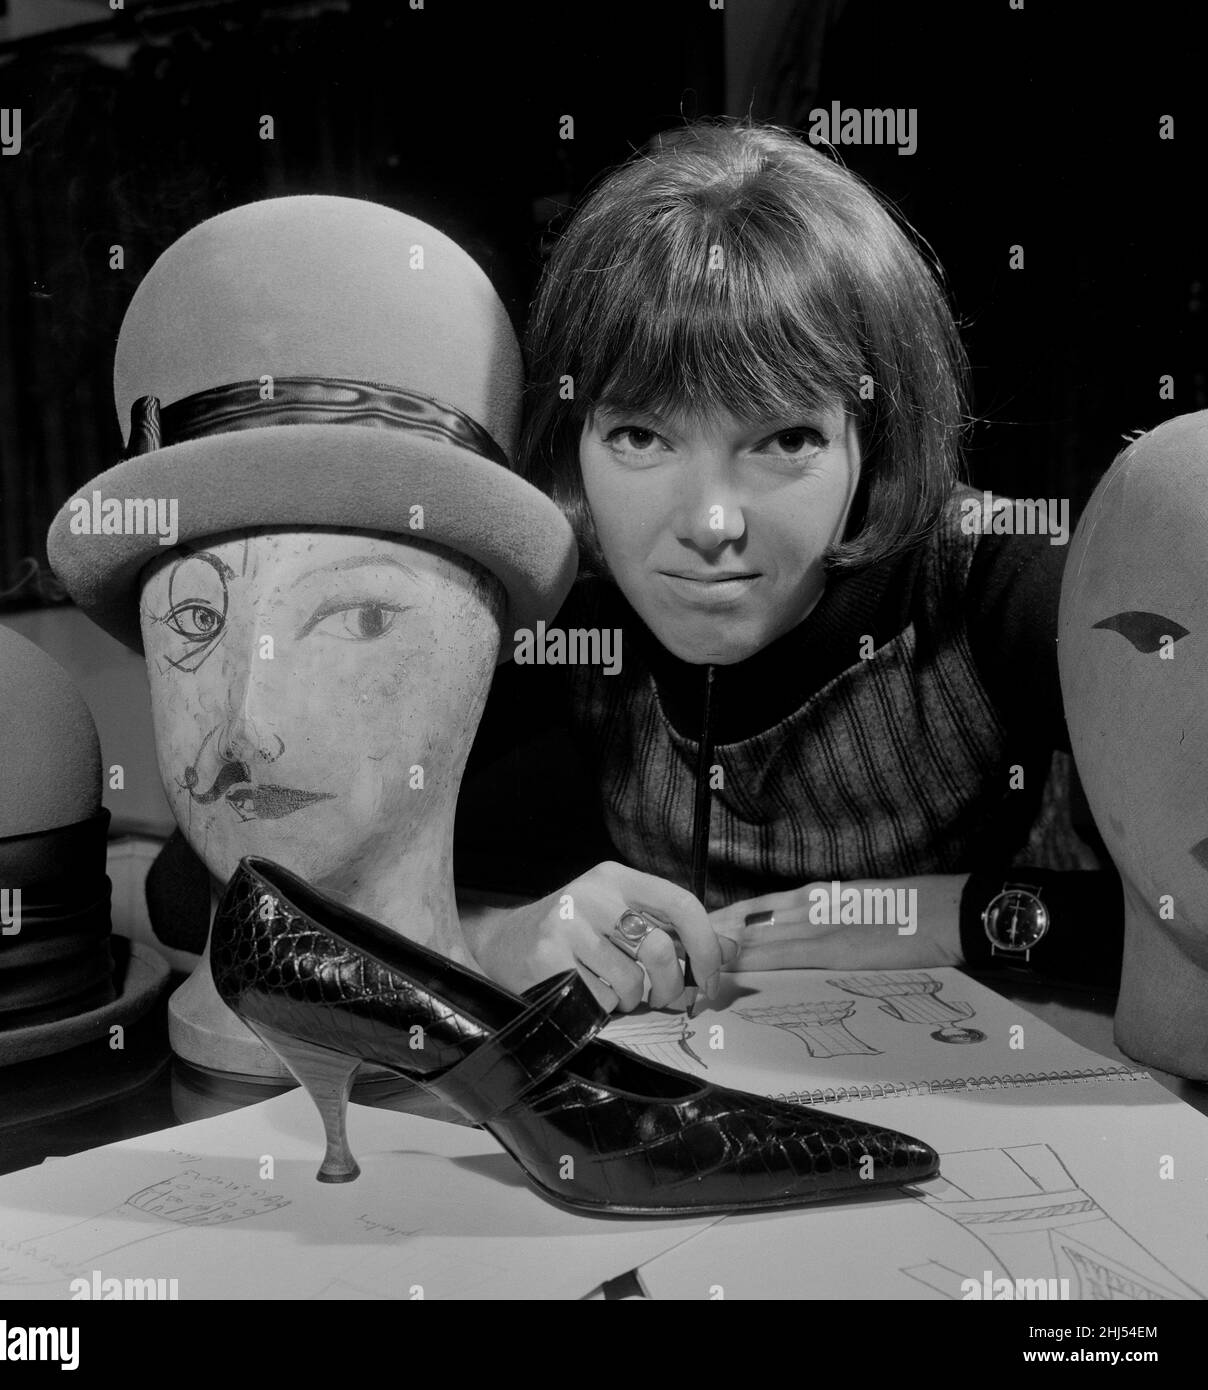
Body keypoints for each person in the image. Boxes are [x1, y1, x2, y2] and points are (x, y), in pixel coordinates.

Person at [455, 120, 1122, 1015]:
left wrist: (953, 917)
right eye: (642, 437)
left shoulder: (1001, 581)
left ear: (873, 443)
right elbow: (265, 863)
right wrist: (495, 941)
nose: (709, 525)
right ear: (574, 443)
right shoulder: (571, 605)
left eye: (785, 438)